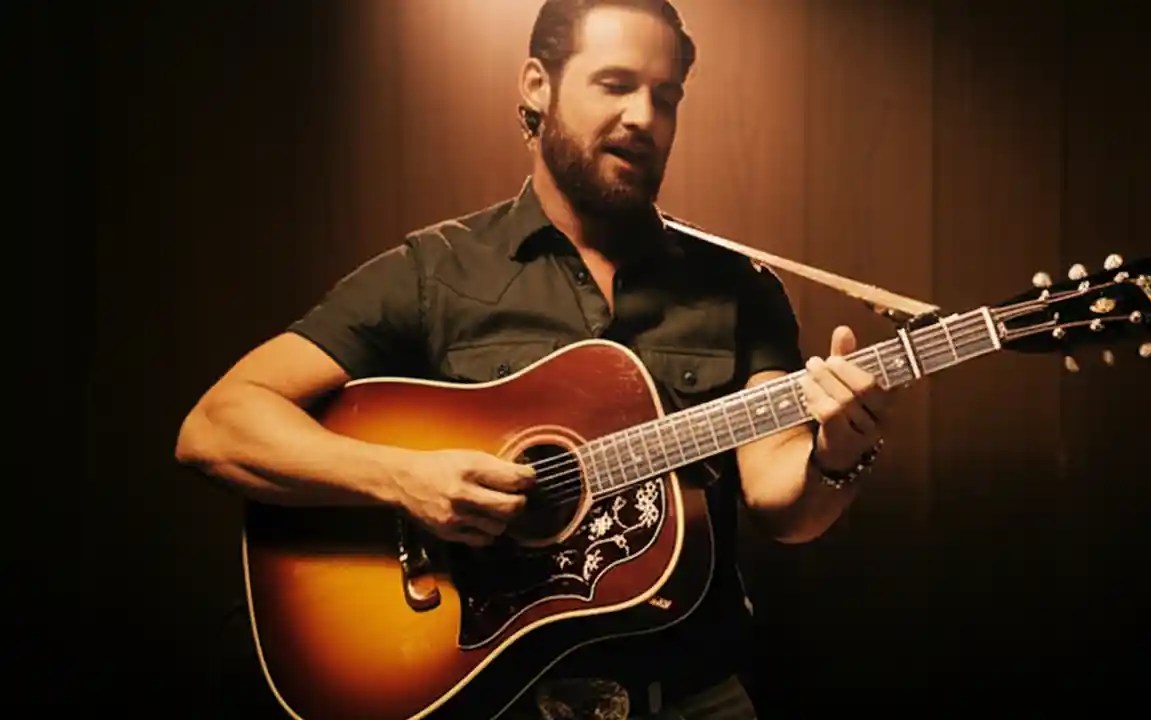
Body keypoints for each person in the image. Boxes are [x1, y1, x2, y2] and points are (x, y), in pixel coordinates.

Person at [175, 1, 890, 718]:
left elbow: (782, 505)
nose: (644, 116)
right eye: (615, 84)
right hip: (493, 702)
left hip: (690, 696)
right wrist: (403, 478)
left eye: (665, 95)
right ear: (536, 85)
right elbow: (217, 427)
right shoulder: (437, 272)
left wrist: (836, 455)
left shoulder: (739, 287)